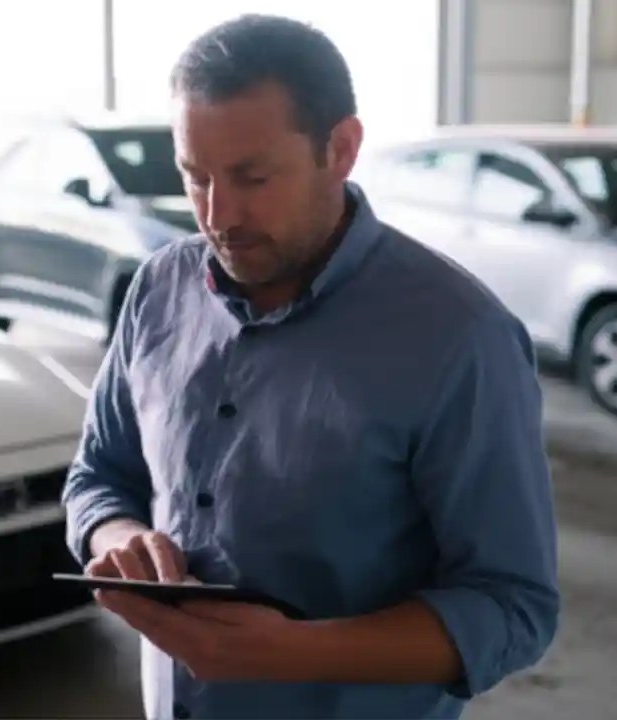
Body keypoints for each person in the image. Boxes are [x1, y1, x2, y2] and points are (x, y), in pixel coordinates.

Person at [62, 13, 559, 720]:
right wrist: (117, 540)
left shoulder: (458, 339)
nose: (217, 214)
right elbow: (99, 474)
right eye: (193, 175)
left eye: (252, 177)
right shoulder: (158, 290)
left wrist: (290, 652)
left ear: (343, 148)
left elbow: (514, 608)